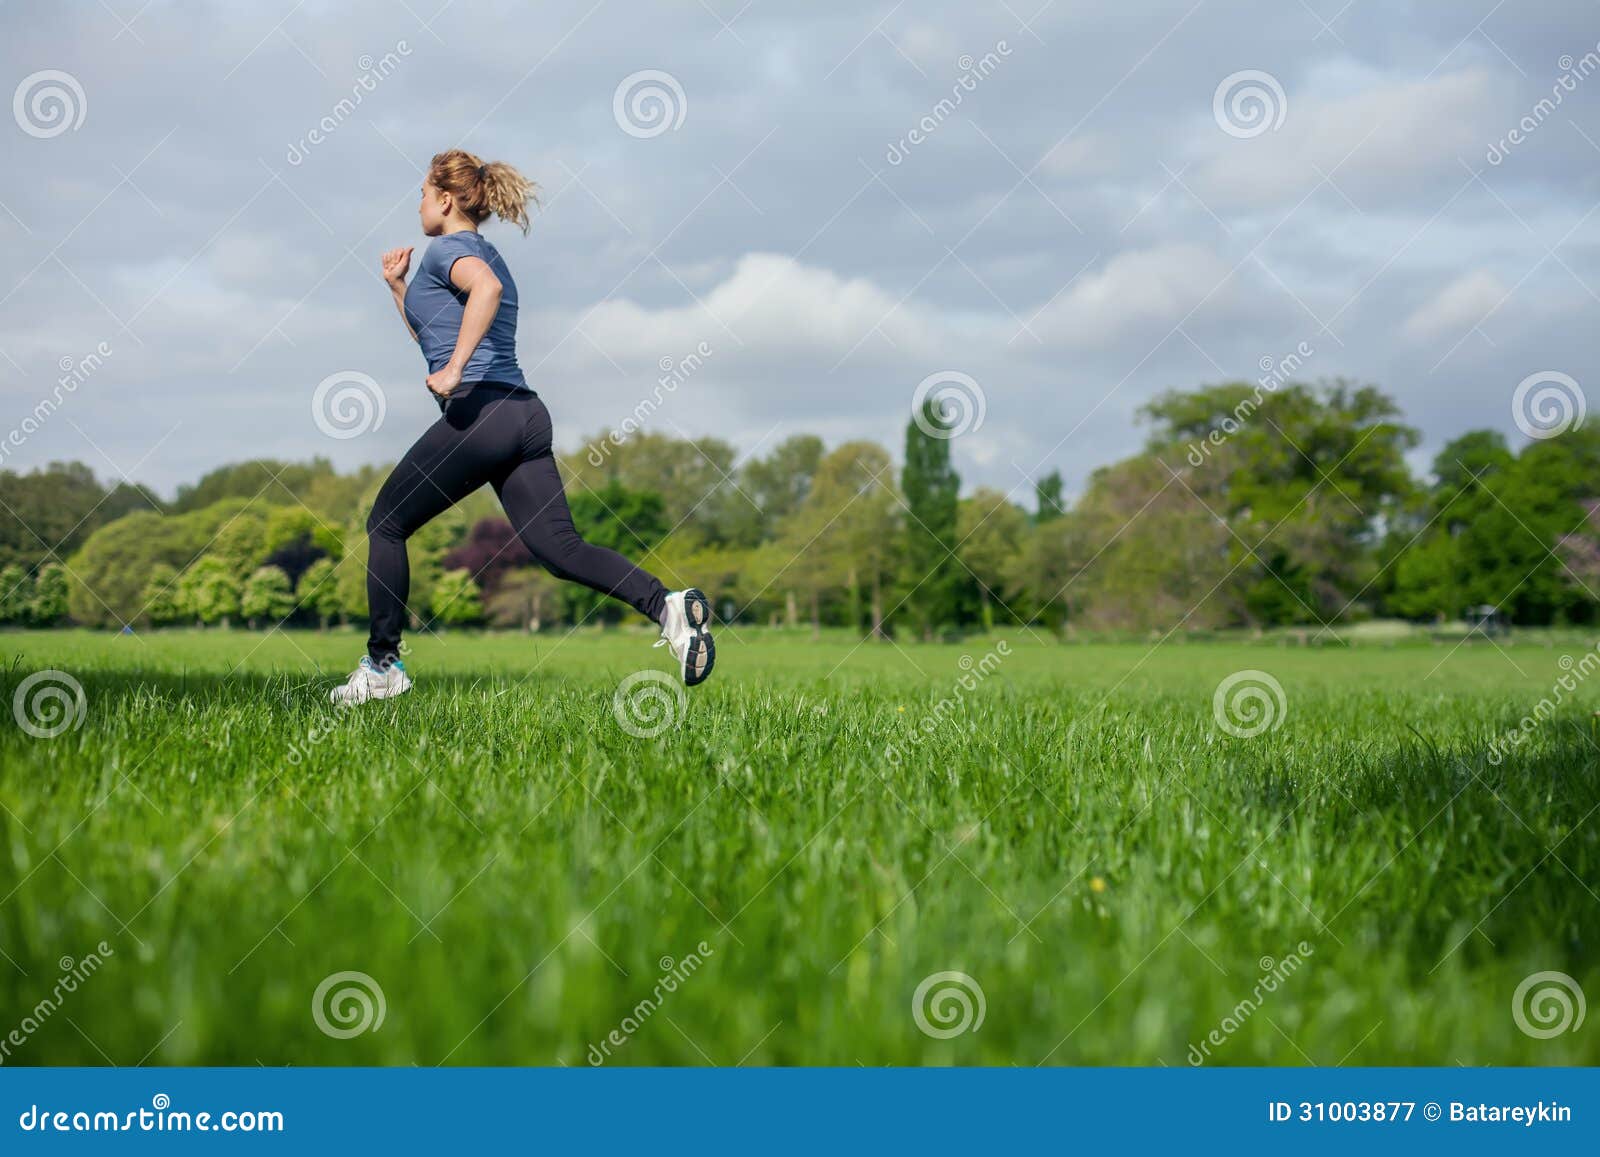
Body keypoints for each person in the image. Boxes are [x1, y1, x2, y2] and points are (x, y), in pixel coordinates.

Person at [330, 149, 713, 705]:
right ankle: (667, 606)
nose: (416, 204)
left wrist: (457, 370)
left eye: (421, 193)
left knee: (386, 523)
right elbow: (436, 339)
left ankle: (383, 665)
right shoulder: (480, 253)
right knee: (561, 550)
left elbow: (483, 297)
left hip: (483, 412)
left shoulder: (449, 251)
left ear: (444, 199)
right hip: (524, 415)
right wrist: (398, 288)